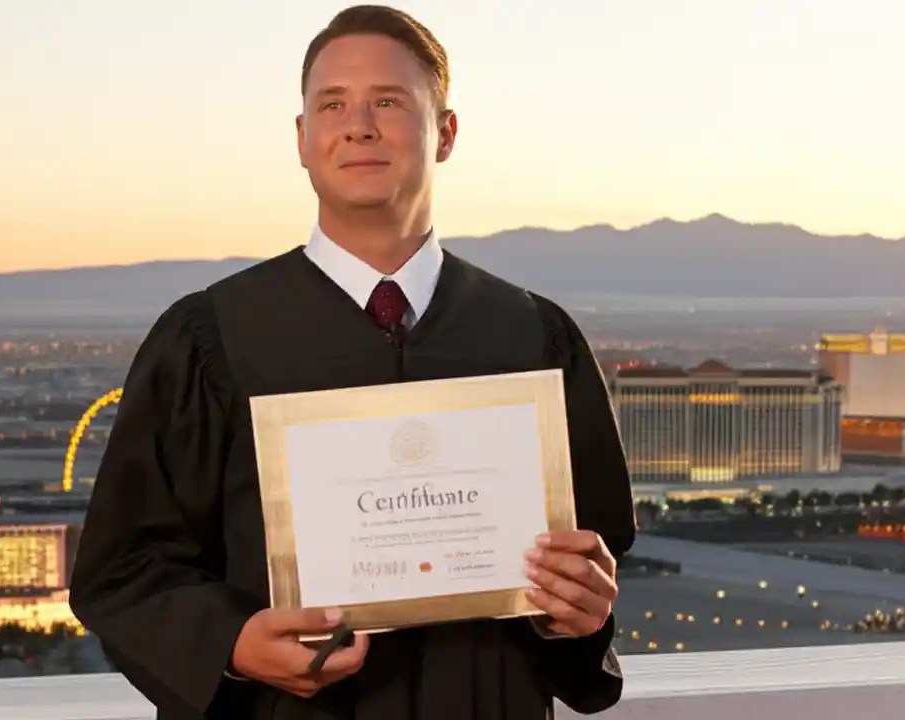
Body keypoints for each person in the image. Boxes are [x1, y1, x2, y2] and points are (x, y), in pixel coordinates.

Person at [68, 5, 636, 719]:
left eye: (389, 102)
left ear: (447, 133)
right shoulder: (210, 338)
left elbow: (589, 567)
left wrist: (575, 617)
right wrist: (235, 645)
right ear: (302, 139)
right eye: (332, 104)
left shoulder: (532, 337)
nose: (358, 124)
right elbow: (123, 570)